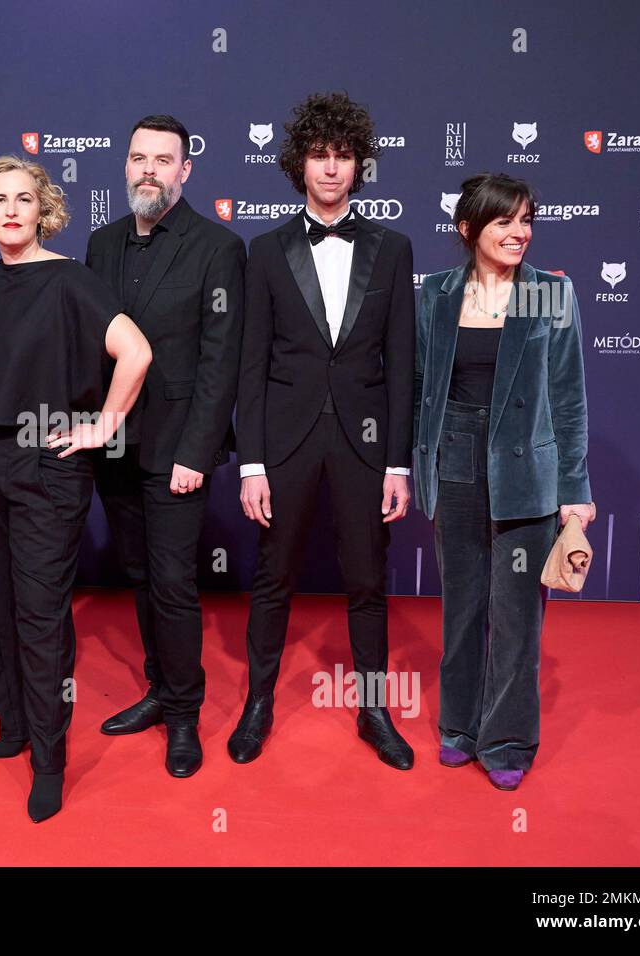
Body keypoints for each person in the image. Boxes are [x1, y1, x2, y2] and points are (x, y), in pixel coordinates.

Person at [0, 156, 151, 821]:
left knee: (39, 613)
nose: (10, 209)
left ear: (45, 209)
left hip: (46, 459)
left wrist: (106, 424)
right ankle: (13, 726)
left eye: (23, 199)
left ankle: (49, 759)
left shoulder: (72, 279)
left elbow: (137, 351)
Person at [232, 92, 416, 770]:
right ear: (298, 165)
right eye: (319, 156)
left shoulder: (393, 248)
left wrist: (399, 463)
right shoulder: (267, 249)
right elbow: (251, 363)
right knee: (272, 576)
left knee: (368, 580)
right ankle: (258, 704)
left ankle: (374, 710)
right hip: (285, 441)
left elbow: (403, 364)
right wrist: (251, 463)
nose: (332, 169)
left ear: (359, 165)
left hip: (366, 444)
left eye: (343, 157)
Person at [413, 172, 595, 791]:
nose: (520, 233)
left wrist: (576, 490)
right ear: (469, 230)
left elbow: (568, 400)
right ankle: (459, 728)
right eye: (504, 222)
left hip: (526, 471)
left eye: (526, 220)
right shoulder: (436, 294)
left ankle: (509, 737)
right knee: (462, 609)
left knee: (517, 617)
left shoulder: (548, 293)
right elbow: (420, 391)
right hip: (455, 465)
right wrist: (417, 466)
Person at [85, 114, 246, 778]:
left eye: (163, 159)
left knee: (175, 584)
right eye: (138, 158)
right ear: (125, 166)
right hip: (116, 445)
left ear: (185, 170)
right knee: (140, 577)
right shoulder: (101, 244)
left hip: (178, 449)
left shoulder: (218, 247)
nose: (148, 169)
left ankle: (184, 716)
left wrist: (196, 453)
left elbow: (221, 362)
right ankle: (158, 689)